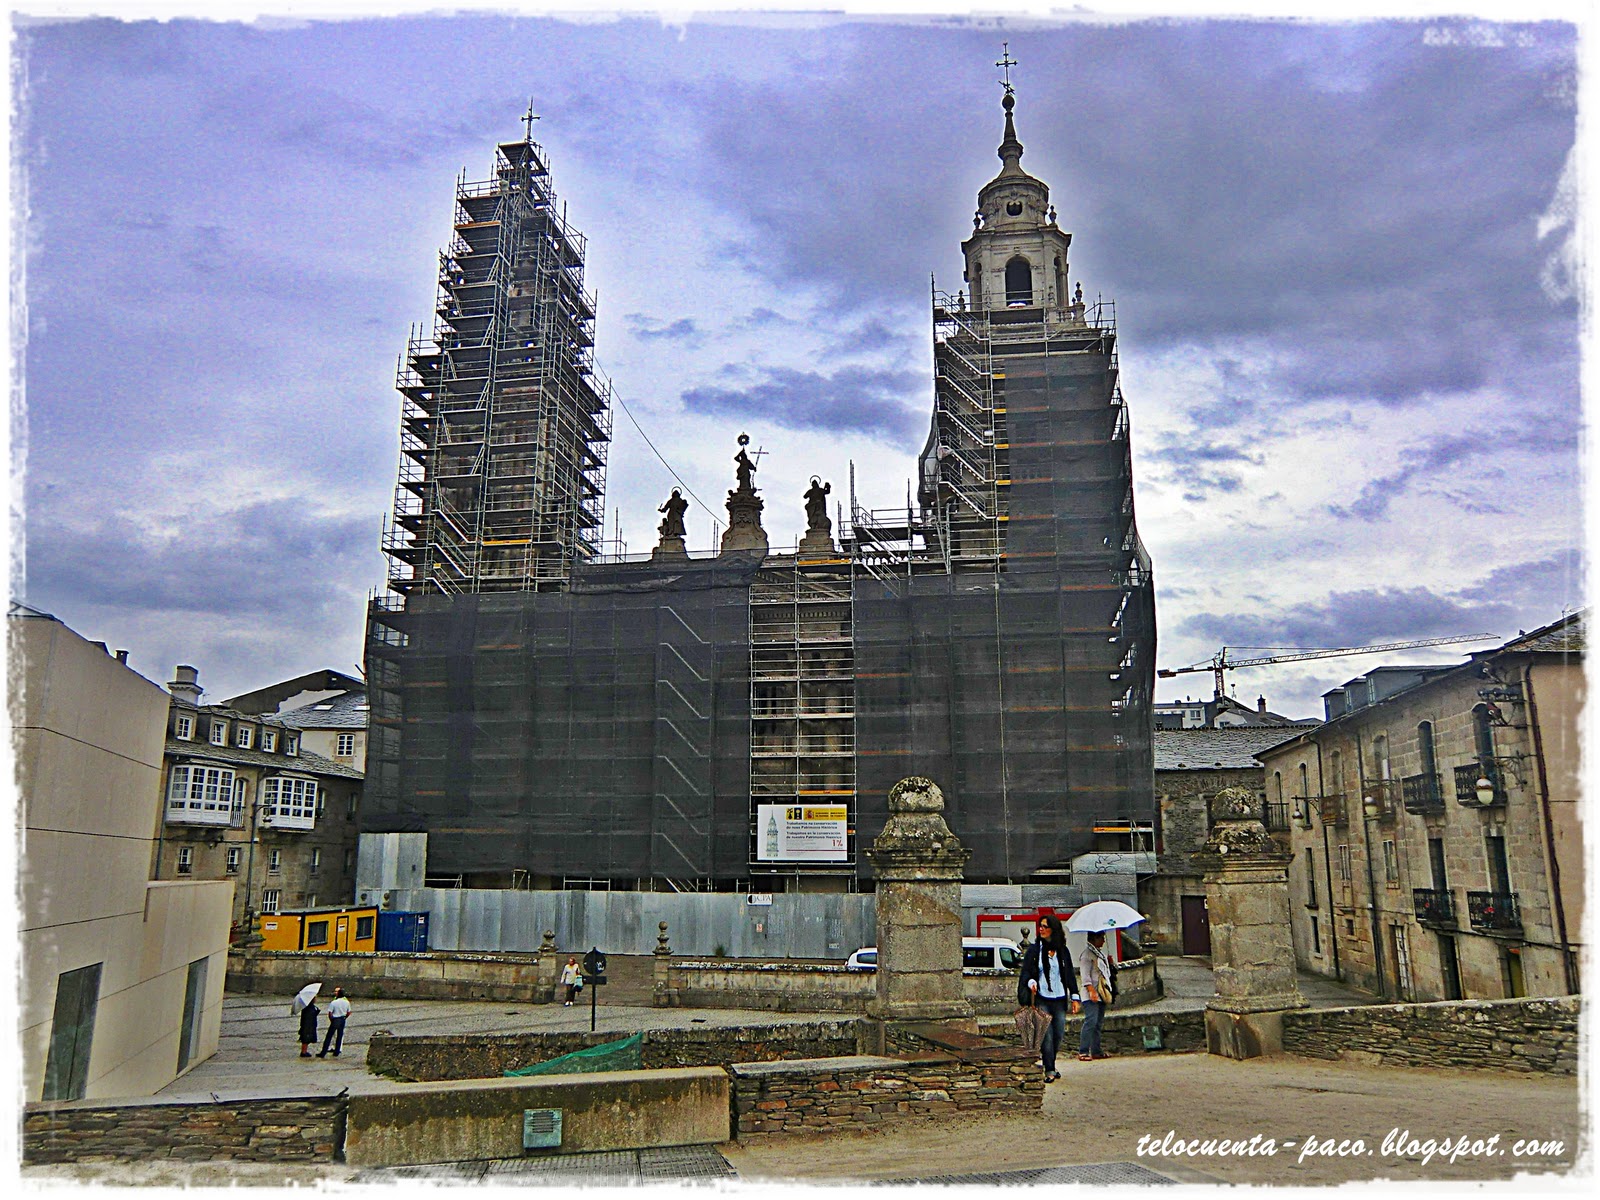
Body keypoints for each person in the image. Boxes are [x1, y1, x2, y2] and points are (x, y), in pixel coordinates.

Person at [1018, 914, 1079, 1082]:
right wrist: (1031, 982)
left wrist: (1075, 997)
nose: (1041, 929)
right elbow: (1027, 972)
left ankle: (1050, 1062)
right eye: (1040, 926)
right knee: (1047, 1034)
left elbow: (1069, 975)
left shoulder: (1062, 951)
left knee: (1059, 1033)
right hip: (1042, 997)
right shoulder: (1034, 950)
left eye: (1045, 926)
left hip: (1059, 998)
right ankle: (1050, 1069)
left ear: (1053, 929)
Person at [1078, 930, 1115, 1062]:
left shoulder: (1100, 954)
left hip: (1100, 992)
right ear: (1094, 938)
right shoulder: (1087, 955)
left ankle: (1096, 1050)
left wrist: (1109, 963)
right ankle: (1083, 1050)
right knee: (1091, 1021)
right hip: (1091, 994)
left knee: (1098, 1023)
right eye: (1101, 938)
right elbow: (1085, 976)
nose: (1104, 941)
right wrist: (1091, 990)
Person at [317, 987, 351, 1058]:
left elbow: (330, 1013)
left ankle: (323, 1052)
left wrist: (332, 1019)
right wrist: (345, 1017)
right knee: (339, 1036)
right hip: (342, 1019)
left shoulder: (334, 1002)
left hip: (335, 1019)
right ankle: (337, 1051)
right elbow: (348, 1012)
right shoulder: (347, 1002)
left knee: (329, 1036)